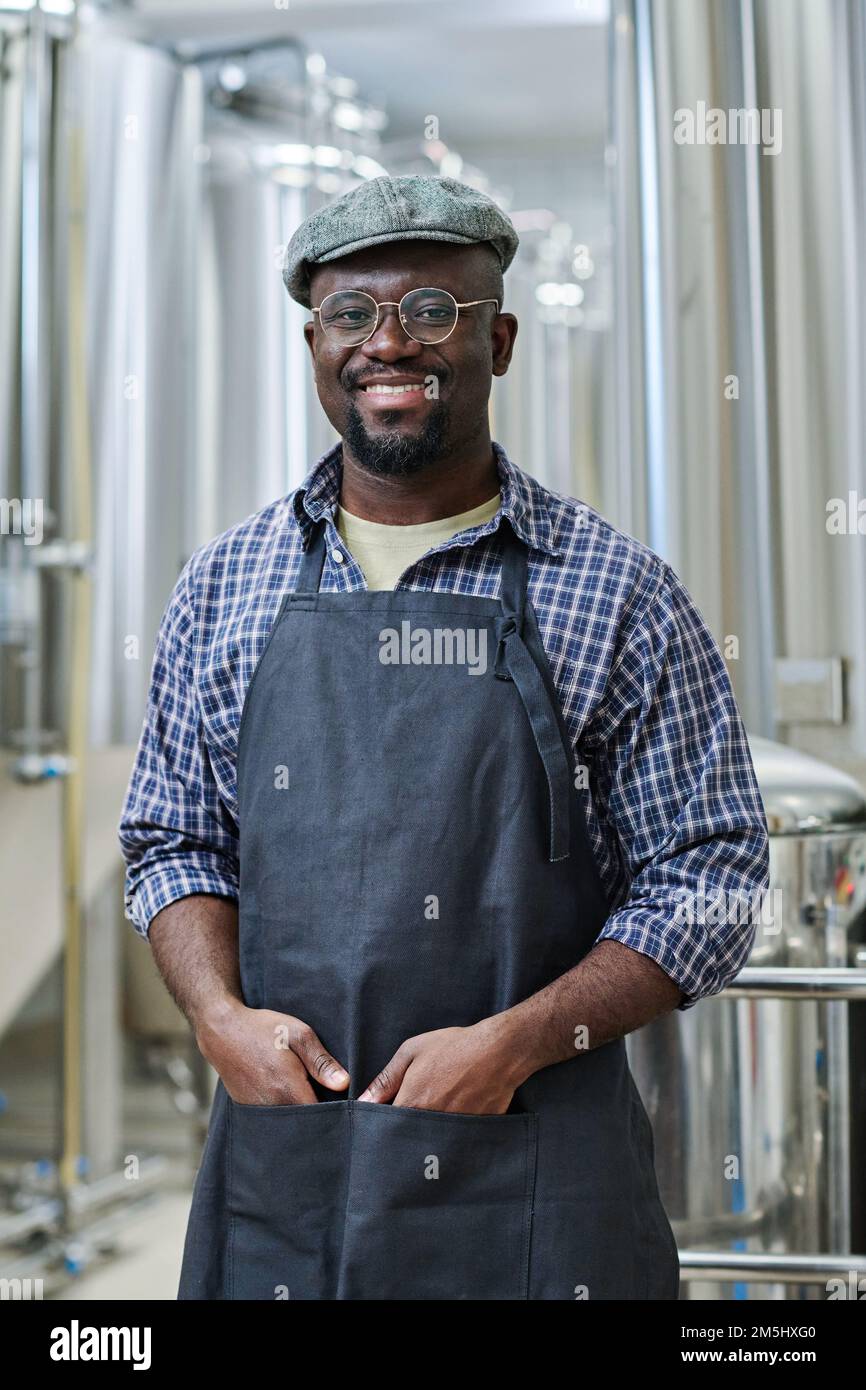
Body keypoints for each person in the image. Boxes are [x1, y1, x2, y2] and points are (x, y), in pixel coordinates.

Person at [119, 174, 770, 1301]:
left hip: (537, 1174)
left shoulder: (614, 592)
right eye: (349, 314)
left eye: (430, 310)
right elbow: (172, 839)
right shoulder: (223, 586)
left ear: (498, 339)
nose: (387, 343)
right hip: (291, 1170)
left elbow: (709, 874)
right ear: (314, 344)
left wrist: (520, 1039)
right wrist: (217, 1017)